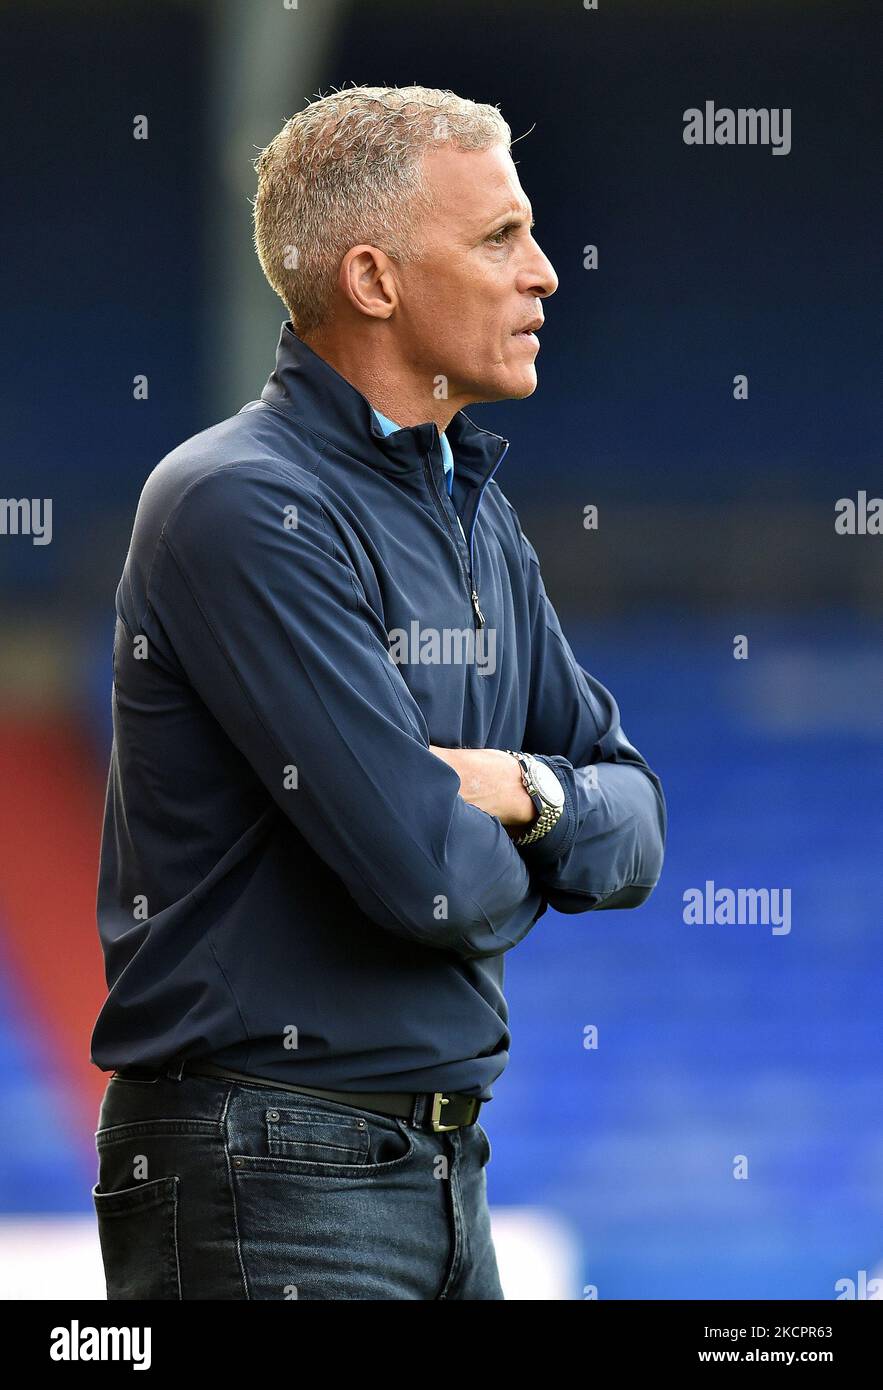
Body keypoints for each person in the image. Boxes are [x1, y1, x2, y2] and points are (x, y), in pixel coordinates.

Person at [90, 84, 666, 1301]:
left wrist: (511, 787)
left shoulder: (475, 511)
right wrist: (531, 826)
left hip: (444, 1167)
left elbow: (638, 829)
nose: (546, 273)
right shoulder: (236, 503)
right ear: (372, 279)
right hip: (270, 1166)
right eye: (501, 237)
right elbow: (427, 877)